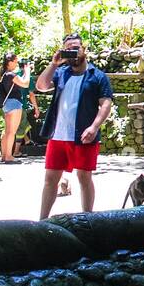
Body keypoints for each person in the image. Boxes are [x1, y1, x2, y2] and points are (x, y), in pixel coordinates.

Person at [36, 34, 114, 217]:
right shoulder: (61, 73)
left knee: (84, 177)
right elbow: (41, 86)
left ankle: (88, 218)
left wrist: (94, 127)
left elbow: (106, 103)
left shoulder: (97, 76)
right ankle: (42, 220)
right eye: (68, 48)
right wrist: (54, 63)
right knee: (50, 179)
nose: (73, 51)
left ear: (83, 50)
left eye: (76, 47)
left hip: (83, 135)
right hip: (58, 135)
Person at [0, 54, 36, 164]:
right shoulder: (10, 75)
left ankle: (4, 155)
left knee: (7, 131)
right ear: (10, 62)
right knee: (11, 131)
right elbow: (25, 83)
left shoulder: (4, 74)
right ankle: (9, 156)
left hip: (7, 104)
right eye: (15, 61)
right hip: (14, 104)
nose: (17, 64)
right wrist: (27, 72)